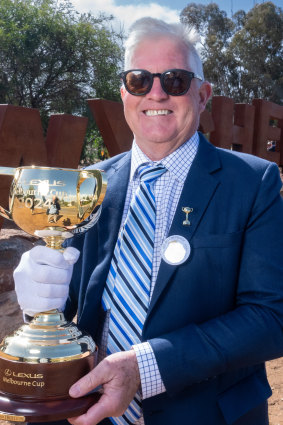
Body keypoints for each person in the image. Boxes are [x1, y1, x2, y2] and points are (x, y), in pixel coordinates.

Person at [14, 17, 283, 425]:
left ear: (203, 94)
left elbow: (270, 317)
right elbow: (68, 302)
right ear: (124, 92)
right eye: (140, 80)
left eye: (175, 80)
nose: (156, 92)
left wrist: (145, 367)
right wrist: (39, 299)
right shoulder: (89, 185)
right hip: (91, 413)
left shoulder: (253, 182)